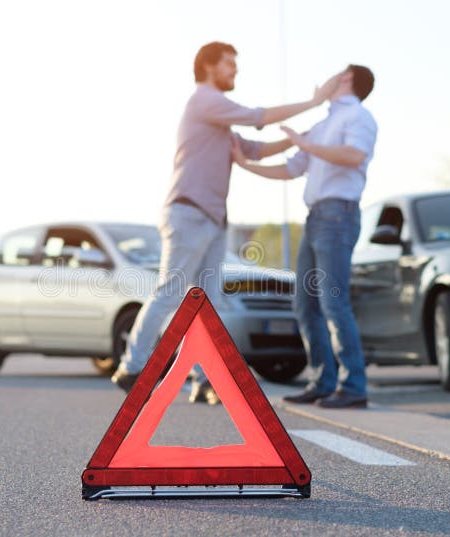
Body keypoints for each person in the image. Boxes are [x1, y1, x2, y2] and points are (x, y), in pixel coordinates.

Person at [111, 41, 338, 404]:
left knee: (208, 303)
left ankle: (204, 379)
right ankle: (132, 366)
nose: (235, 70)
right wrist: (312, 102)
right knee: (170, 292)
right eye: (229, 64)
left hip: (213, 219)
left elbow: (255, 150)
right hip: (189, 212)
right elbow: (258, 116)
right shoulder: (205, 101)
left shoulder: (219, 121)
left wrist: (304, 138)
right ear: (208, 66)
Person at [231, 65, 377, 409]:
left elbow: (354, 155)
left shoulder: (359, 116)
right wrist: (245, 165)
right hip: (316, 218)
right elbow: (291, 169)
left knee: (333, 301)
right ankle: (323, 381)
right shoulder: (324, 124)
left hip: (338, 214)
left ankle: (353, 385)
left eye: (335, 72)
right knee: (305, 304)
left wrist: (304, 142)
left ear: (345, 78)